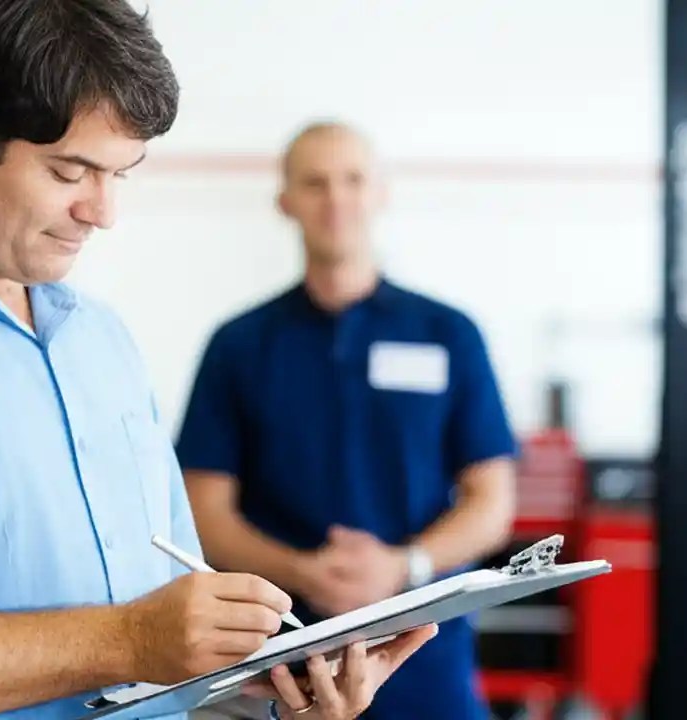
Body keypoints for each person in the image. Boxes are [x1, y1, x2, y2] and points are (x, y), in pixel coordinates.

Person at [0, 3, 434, 719]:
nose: (103, 211)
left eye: (121, 174)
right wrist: (127, 639)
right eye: (71, 171)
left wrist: (276, 690)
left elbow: (164, 651)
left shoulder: (100, 342)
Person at [176, 122, 518, 720]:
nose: (335, 198)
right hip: (280, 657)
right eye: (315, 182)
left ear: (381, 191)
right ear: (285, 202)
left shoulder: (448, 335)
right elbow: (204, 508)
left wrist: (401, 566)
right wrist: (303, 571)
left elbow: (492, 501)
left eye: (352, 180)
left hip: (424, 651)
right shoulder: (240, 346)